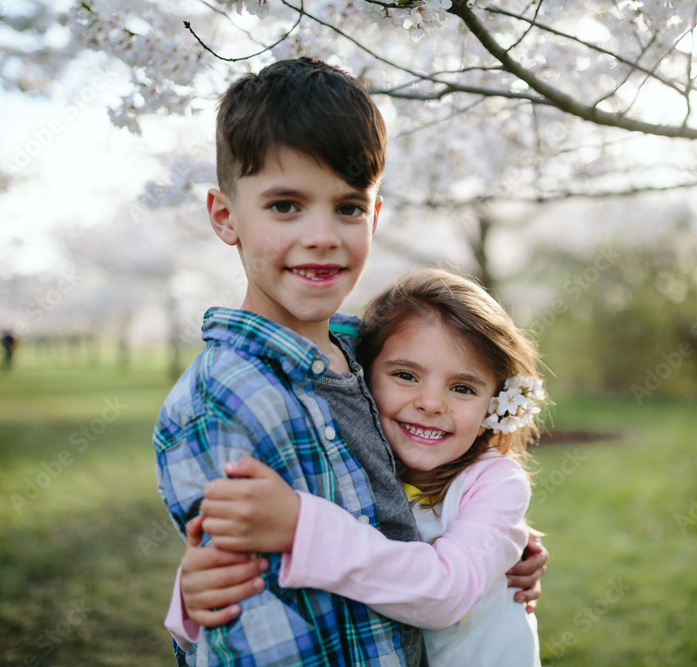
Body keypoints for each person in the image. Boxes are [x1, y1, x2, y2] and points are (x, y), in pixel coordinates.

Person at [154, 57, 546, 667]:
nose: (322, 235)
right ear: (225, 216)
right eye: (285, 205)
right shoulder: (226, 397)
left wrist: (500, 546)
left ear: (376, 215)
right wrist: (187, 603)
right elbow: (238, 606)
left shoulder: (362, 359)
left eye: (348, 207)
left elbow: (396, 511)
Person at [178, 269, 546, 666]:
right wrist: (189, 601)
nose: (431, 403)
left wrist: (303, 528)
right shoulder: (346, 466)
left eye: (462, 388)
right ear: (363, 378)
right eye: (405, 375)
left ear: (494, 404)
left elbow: (444, 594)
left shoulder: (495, 482)